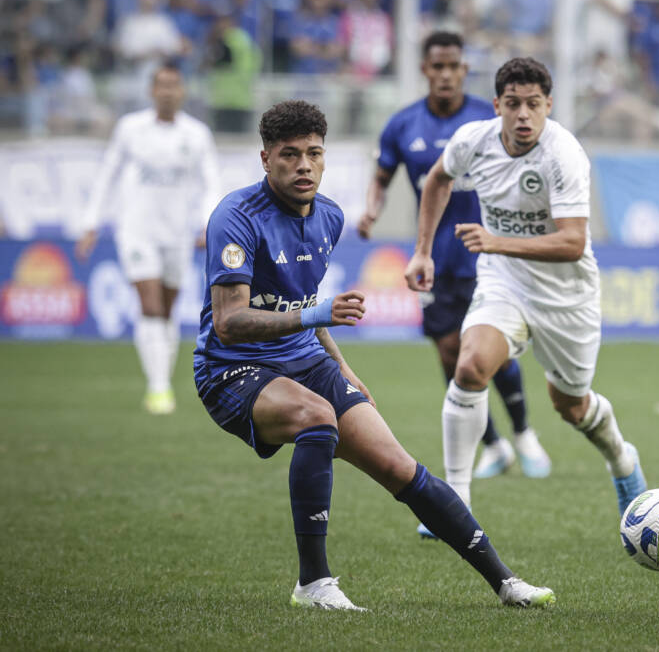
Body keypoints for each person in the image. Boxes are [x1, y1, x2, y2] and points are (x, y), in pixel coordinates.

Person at [192, 99, 554, 611]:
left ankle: (506, 582)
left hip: (305, 358)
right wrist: (318, 316)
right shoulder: (235, 217)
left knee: (401, 467)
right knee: (318, 419)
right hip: (232, 369)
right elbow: (229, 323)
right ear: (265, 159)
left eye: (314, 154)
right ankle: (313, 584)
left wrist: (341, 367)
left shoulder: (330, 217)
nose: (303, 166)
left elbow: (299, 305)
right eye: (289, 155)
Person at [403, 57, 647, 520]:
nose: (522, 115)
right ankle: (454, 504)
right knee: (470, 365)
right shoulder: (473, 141)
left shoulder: (564, 153)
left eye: (533, 105)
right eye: (512, 104)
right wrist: (422, 250)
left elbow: (574, 242)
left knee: (571, 406)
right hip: (504, 280)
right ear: (497, 105)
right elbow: (437, 178)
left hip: (565, 295)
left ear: (548, 106)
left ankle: (621, 457)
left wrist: (497, 240)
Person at [358, 31, 551, 502]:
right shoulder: (403, 124)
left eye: (454, 66)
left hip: (489, 252)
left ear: (465, 71)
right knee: (450, 353)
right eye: (437, 66)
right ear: (425, 70)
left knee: (491, 347)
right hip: (436, 257)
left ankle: (524, 432)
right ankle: (493, 444)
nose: (445, 74)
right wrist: (371, 210)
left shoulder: (488, 119)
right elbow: (381, 176)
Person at [76, 61, 219, 415]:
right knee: (150, 305)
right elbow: (108, 173)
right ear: (152, 91)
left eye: (174, 85)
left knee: (167, 310)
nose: (168, 92)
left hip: (177, 233)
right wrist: (91, 222)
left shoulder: (197, 134)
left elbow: (211, 182)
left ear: (182, 91)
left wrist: (207, 224)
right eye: (162, 85)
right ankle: (159, 389)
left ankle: (162, 379)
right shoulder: (130, 128)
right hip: (136, 231)